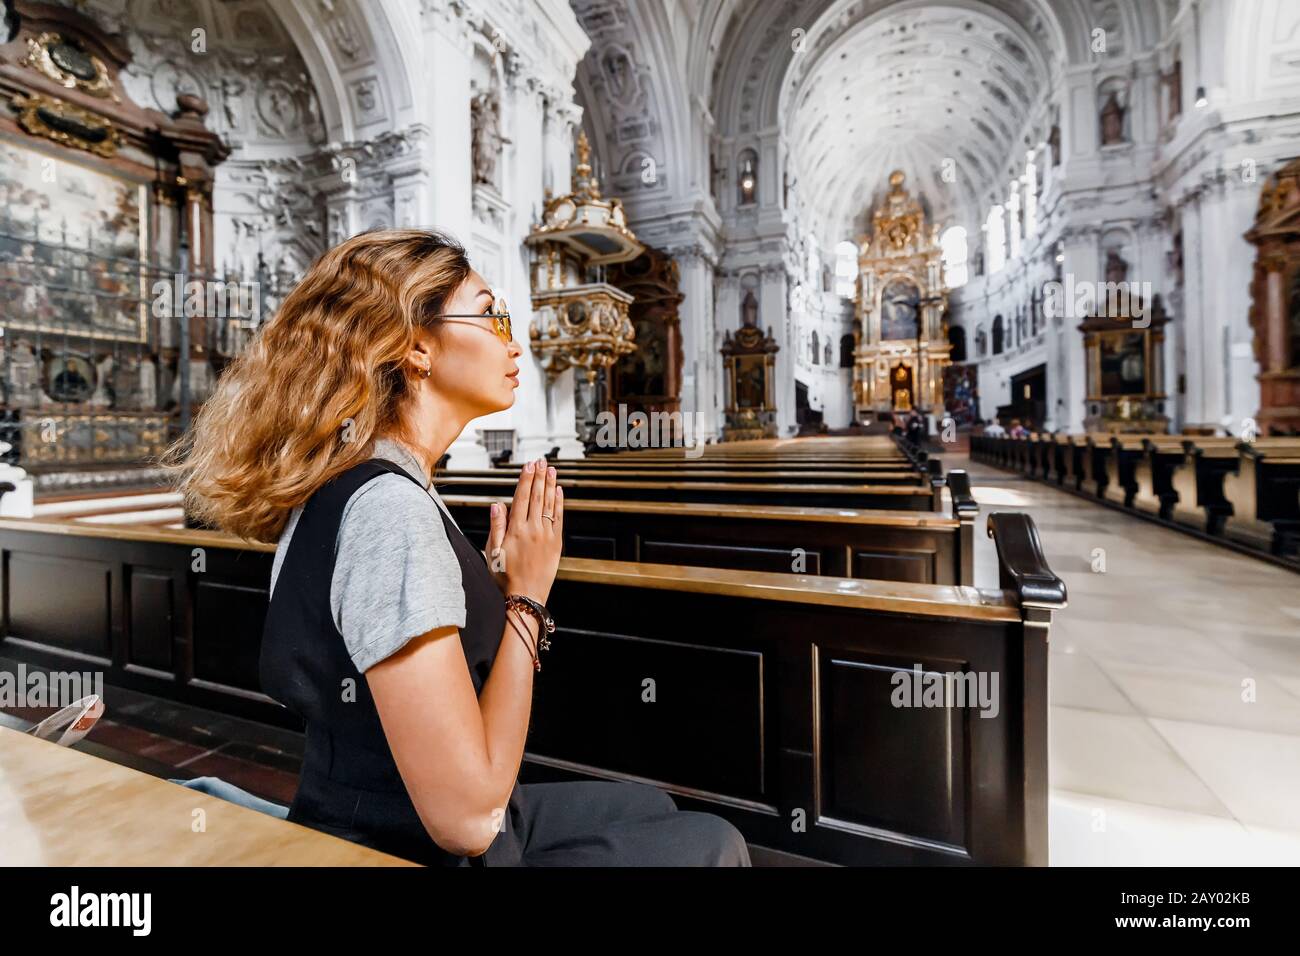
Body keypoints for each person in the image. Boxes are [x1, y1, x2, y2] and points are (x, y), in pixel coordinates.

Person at [169, 229, 749, 867]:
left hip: (362, 804)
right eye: (490, 313)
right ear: (416, 347)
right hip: (402, 846)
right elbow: (469, 820)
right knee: (715, 845)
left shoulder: (359, 479)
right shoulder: (390, 511)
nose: (513, 340)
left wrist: (490, 598)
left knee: (652, 808)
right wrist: (529, 597)